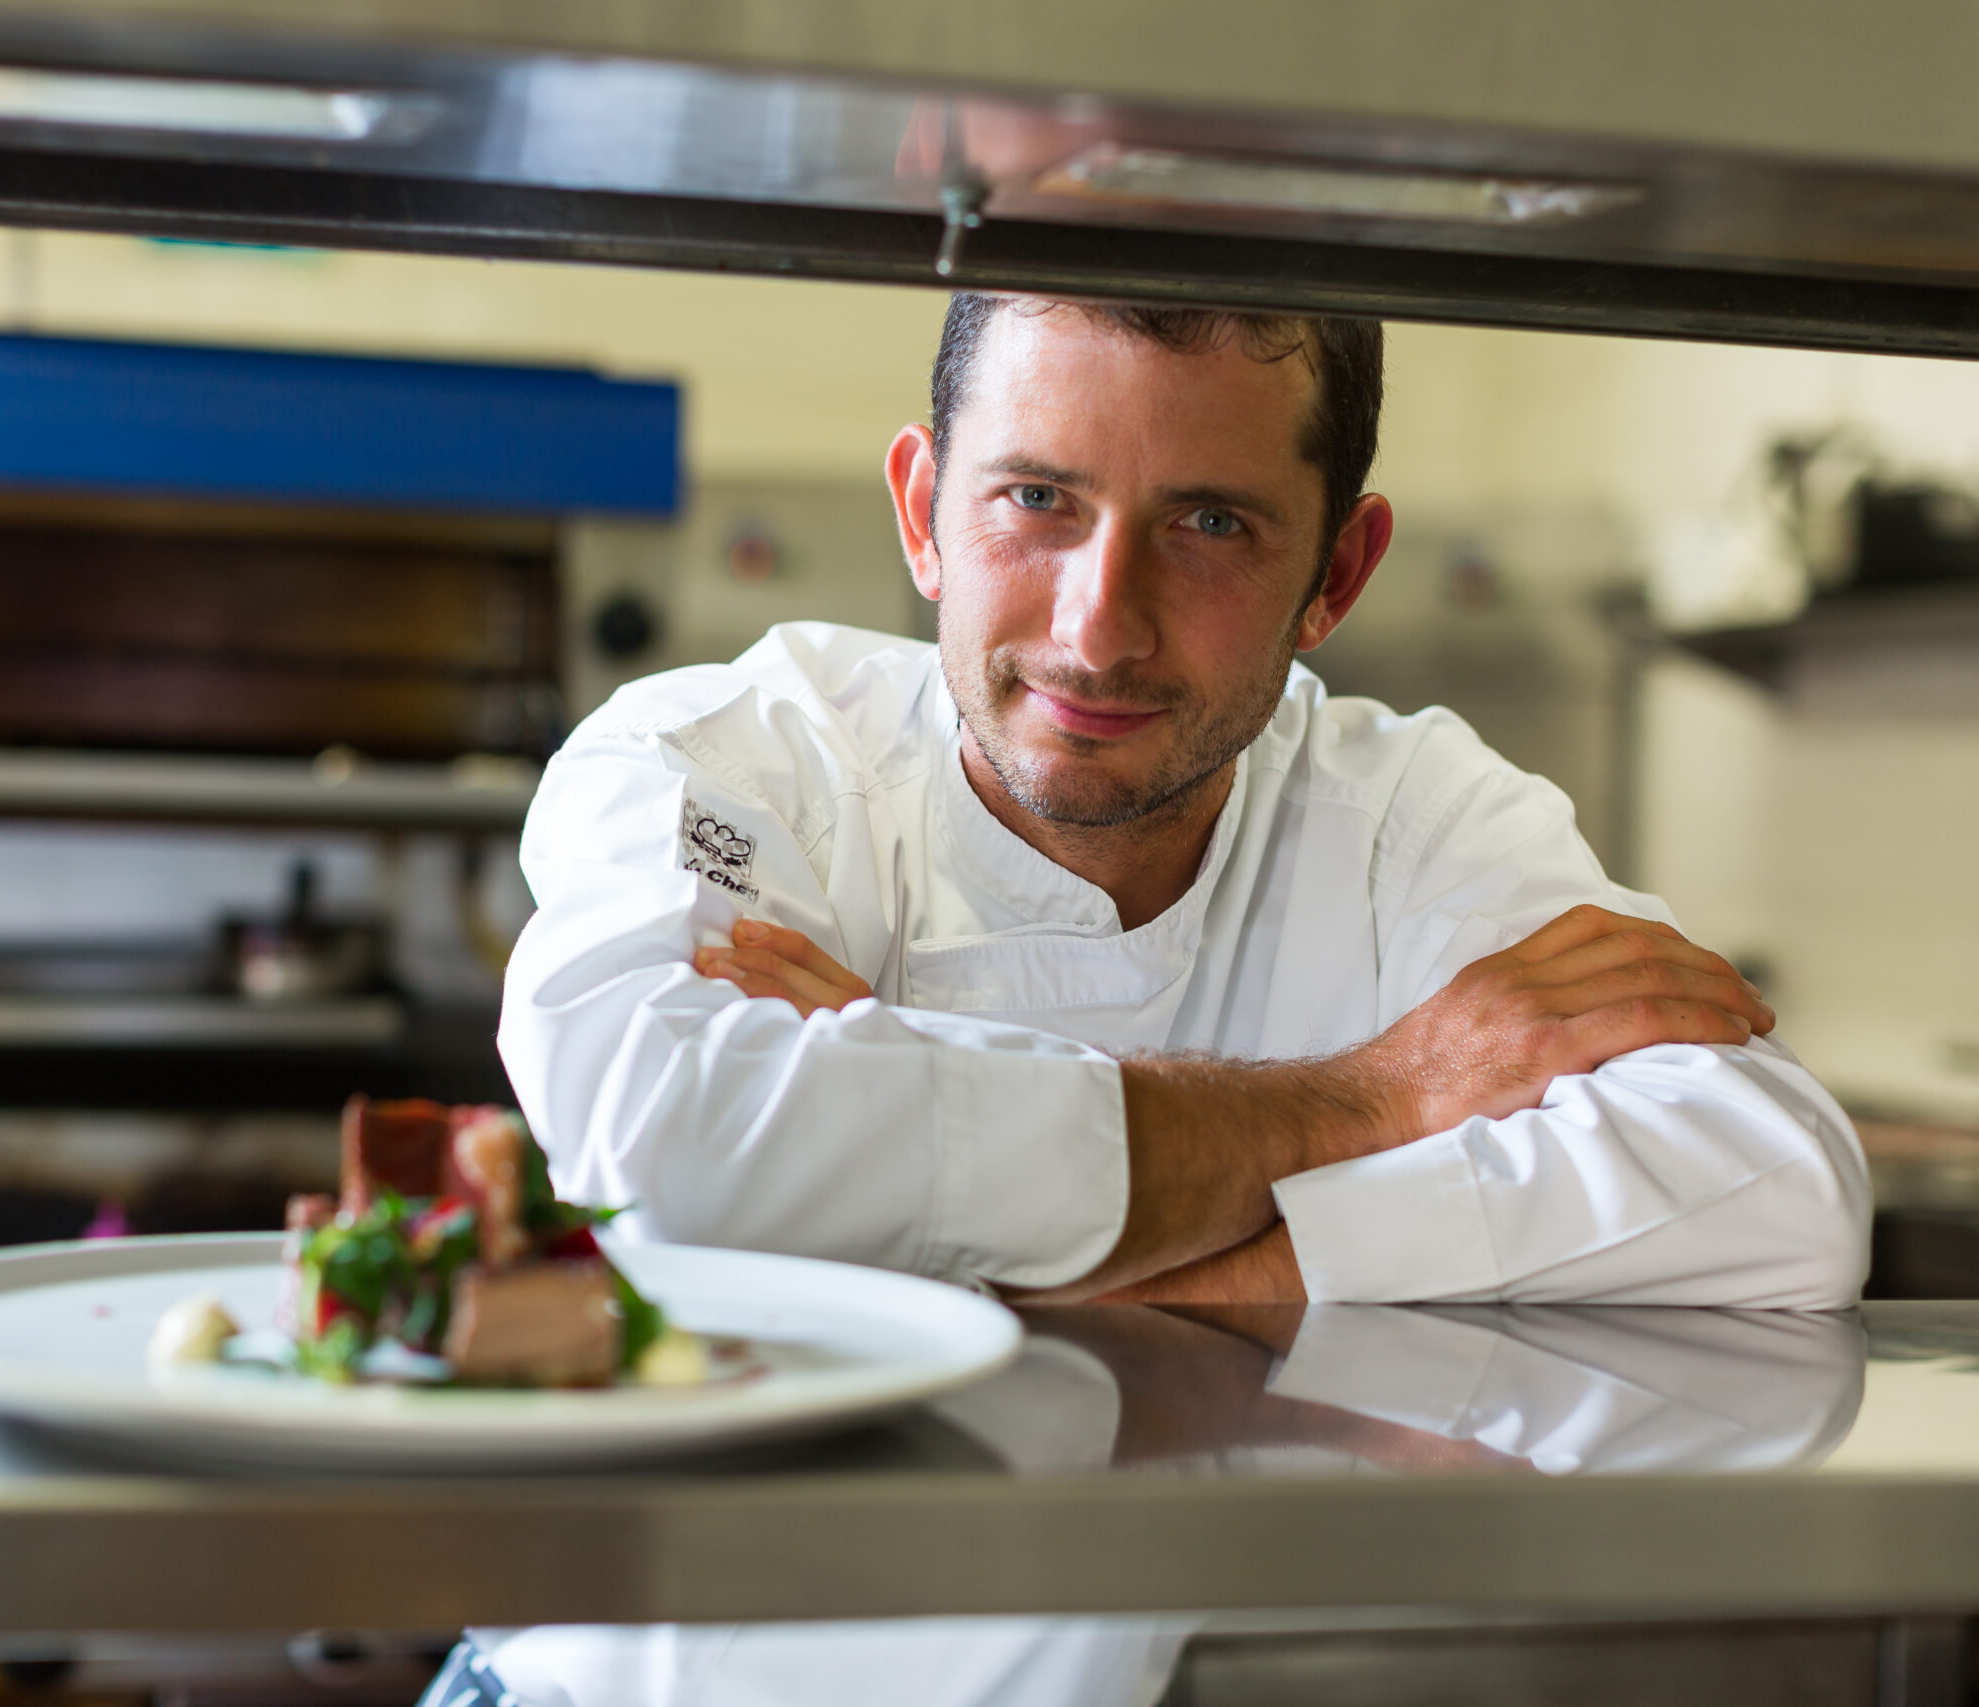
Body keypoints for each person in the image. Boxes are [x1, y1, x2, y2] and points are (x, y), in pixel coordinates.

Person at [497, 294, 1870, 1315]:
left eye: (1210, 525)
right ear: (922, 512)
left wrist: (999, 1238)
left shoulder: (1412, 810)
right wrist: (1374, 1097)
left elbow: (1778, 1185)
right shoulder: (730, 760)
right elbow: (673, 1144)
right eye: (1036, 499)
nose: (1100, 631)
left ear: (1337, 572)